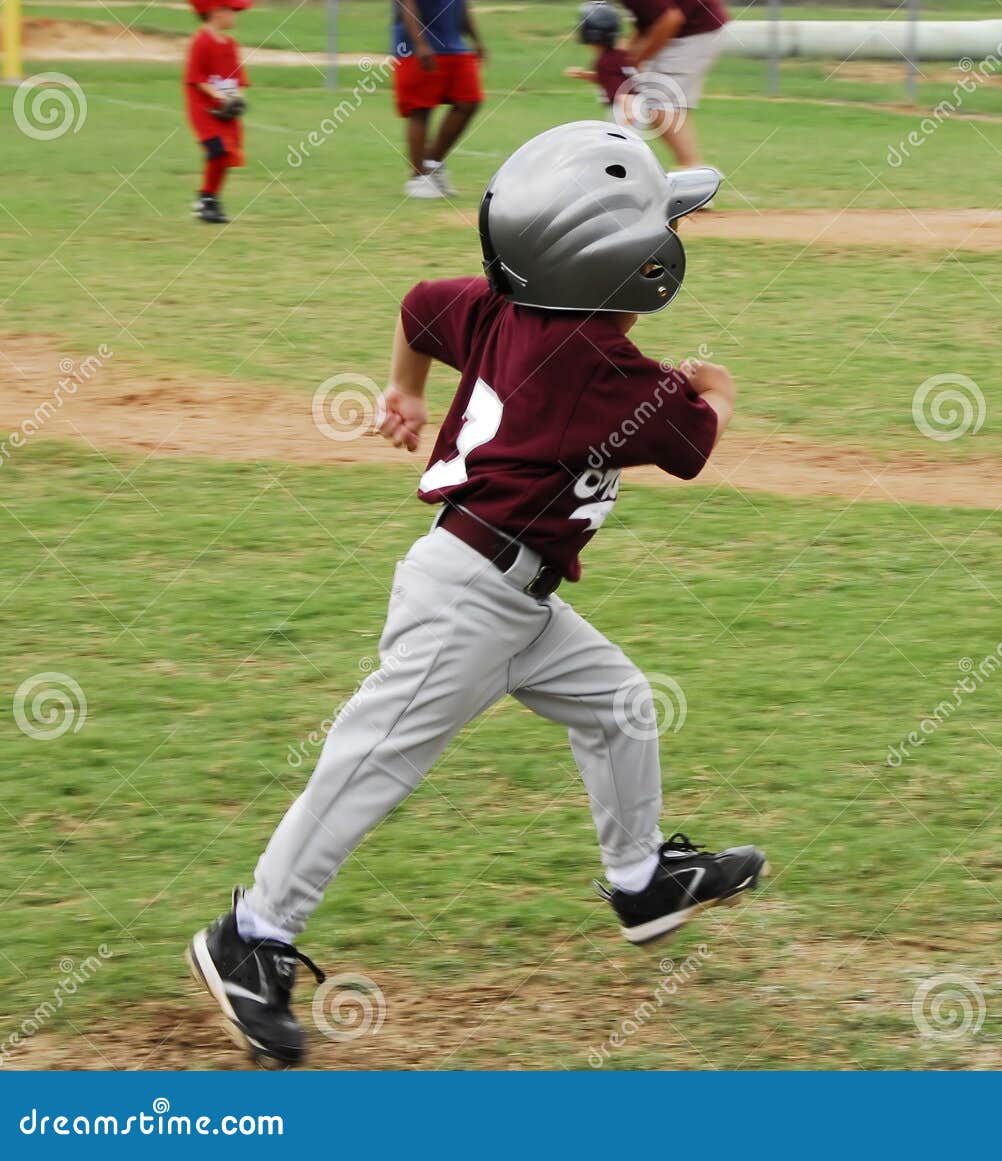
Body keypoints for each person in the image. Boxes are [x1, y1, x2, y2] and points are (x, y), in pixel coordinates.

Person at [186, 121, 763, 1069]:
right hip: (469, 598)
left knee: (619, 703)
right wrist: (719, 387)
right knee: (370, 764)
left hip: (509, 592)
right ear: (619, 266)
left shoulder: (503, 309)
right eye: (660, 228)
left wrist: (404, 389)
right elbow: (696, 441)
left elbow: (420, 306)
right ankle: (250, 935)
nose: (669, 240)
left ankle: (641, 880)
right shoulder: (606, 371)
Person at [393, 0, 487, 199]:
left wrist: (476, 39)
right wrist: (420, 43)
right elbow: (407, 5)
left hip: (455, 46)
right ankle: (418, 178)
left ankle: (432, 164)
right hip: (415, 48)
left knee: (469, 101)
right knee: (420, 110)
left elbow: (462, 6)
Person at [616, 0, 727, 168]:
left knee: (661, 104)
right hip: (689, 26)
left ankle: (694, 171)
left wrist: (638, 59)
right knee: (660, 104)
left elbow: (670, 18)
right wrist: (629, 53)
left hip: (694, 30)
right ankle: (692, 169)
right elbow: (650, 18)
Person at [184, 0, 251, 225]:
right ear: (216, 12)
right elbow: (196, 78)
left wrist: (237, 99)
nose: (235, 15)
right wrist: (221, 97)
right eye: (231, 10)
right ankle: (206, 200)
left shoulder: (230, 44)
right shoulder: (201, 41)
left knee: (227, 153)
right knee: (218, 148)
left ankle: (208, 199)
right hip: (204, 110)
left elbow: (239, 78)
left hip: (226, 111)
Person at [564, 1, 636, 114]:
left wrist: (628, 111)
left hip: (623, 111)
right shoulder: (619, 55)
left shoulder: (605, 62)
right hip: (633, 108)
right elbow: (610, 79)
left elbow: (620, 89)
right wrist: (585, 75)